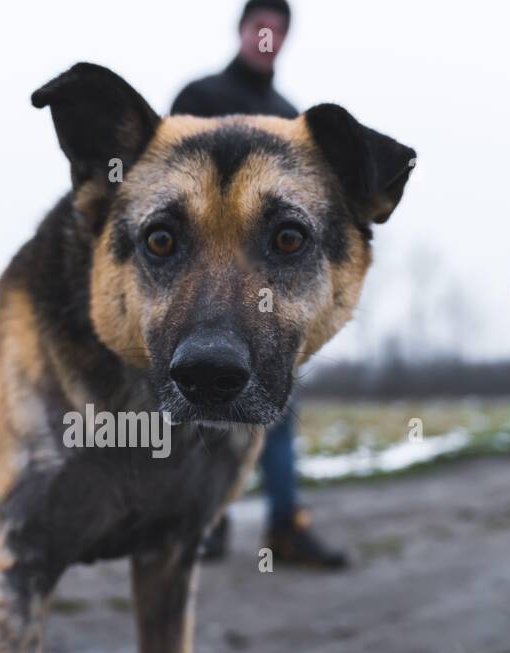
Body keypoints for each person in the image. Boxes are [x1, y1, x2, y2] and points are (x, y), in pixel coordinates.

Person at [171, 0, 348, 570]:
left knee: (277, 409)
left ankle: (284, 526)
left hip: (271, 294)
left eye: (277, 29)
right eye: (258, 27)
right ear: (242, 31)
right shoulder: (198, 100)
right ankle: (204, 521)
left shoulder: (290, 116)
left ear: (286, 38)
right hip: (205, 288)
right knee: (197, 403)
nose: (266, 36)